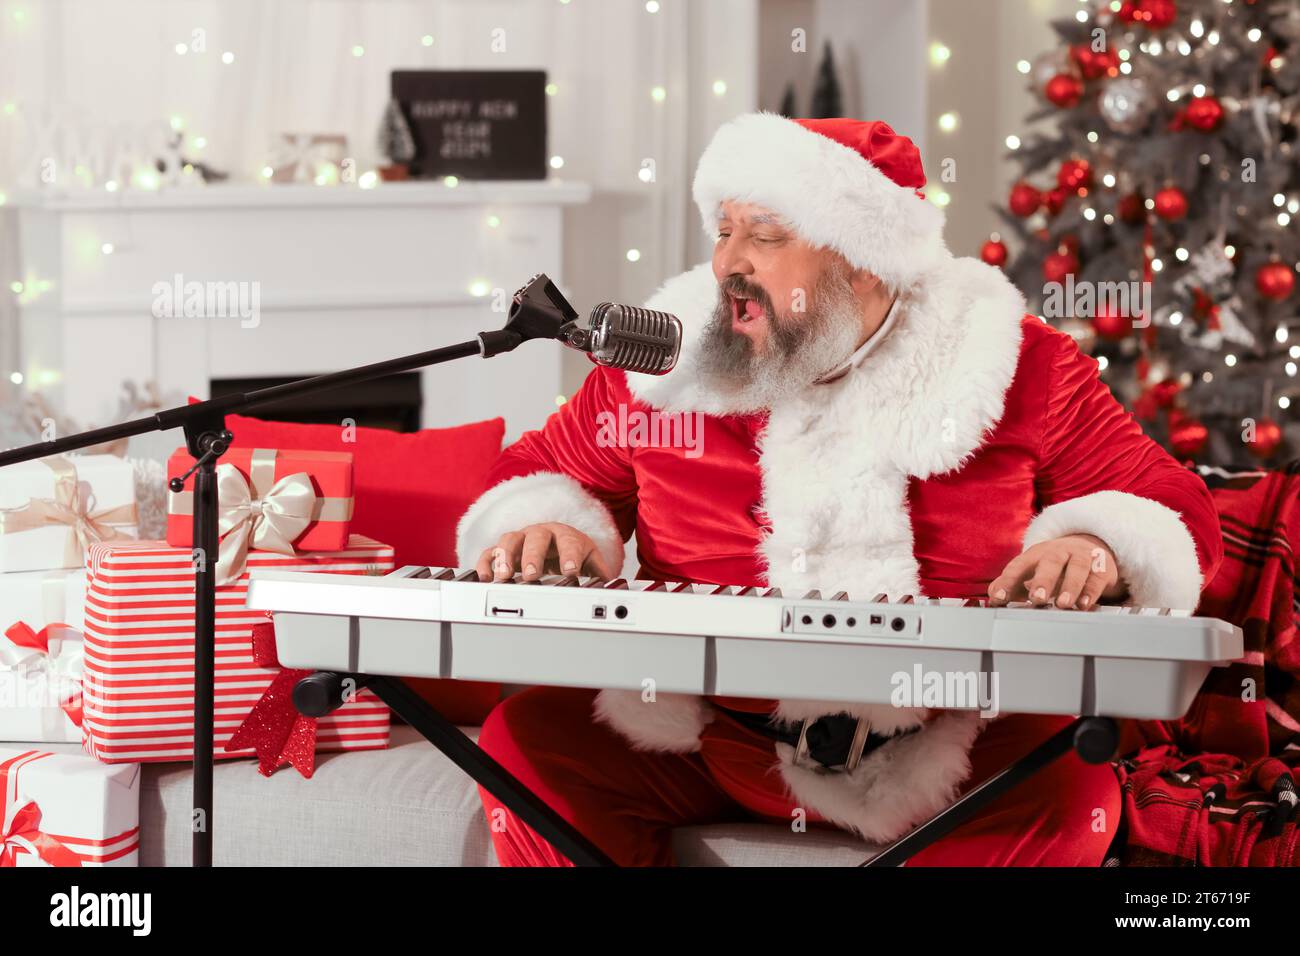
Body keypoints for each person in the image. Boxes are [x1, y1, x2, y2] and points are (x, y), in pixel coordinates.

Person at [455, 113, 1224, 866]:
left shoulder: (1020, 365)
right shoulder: (665, 359)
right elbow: (539, 474)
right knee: (528, 742)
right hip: (709, 740)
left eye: (765, 234)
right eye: (724, 230)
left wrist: (1098, 544)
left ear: (863, 259)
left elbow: (1165, 502)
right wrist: (543, 524)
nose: (729, 262)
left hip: (958, 754)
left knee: (1069, 795)